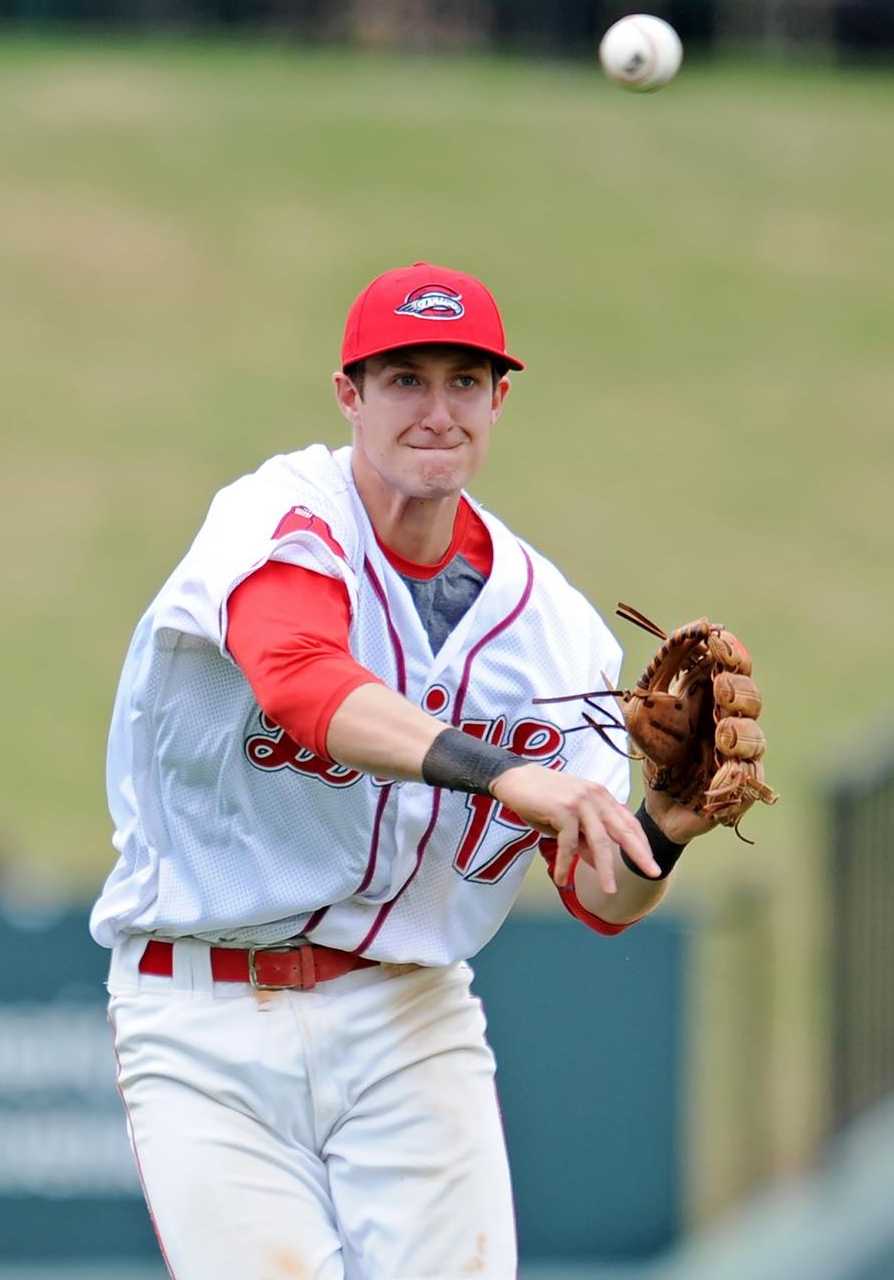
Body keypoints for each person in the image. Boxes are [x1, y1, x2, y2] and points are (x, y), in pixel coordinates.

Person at [91, 261, 724, 1280]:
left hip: (406, 1017)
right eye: (405, 379)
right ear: (349, 394)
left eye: (464, 380)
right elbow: (301, 677)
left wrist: (663, 823)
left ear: (499, 399)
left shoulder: (551, 630)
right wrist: (503, 773)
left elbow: (601, 892)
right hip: (203, 1010)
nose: (437, 410)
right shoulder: (282, 514)